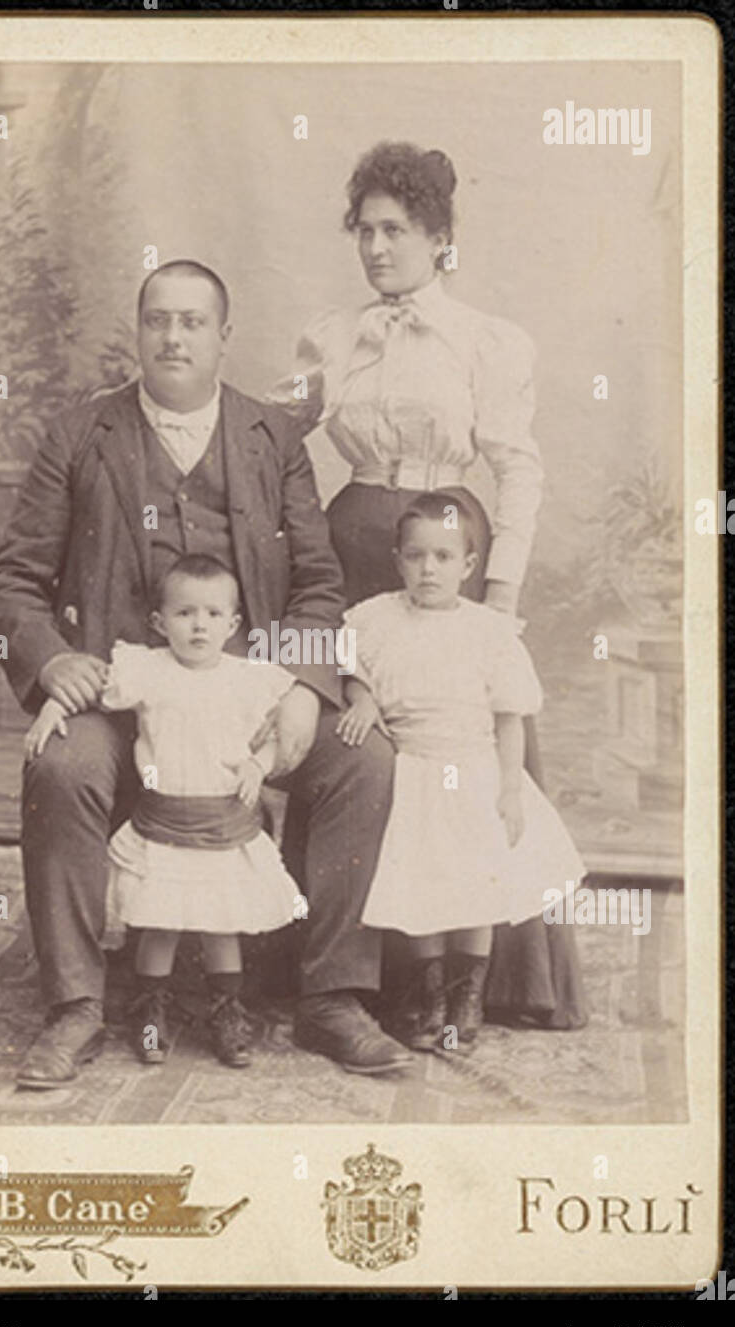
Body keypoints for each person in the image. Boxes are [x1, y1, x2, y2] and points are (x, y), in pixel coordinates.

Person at [0, 259, 413, 1089]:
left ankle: (332, 996)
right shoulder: (79, 436)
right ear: (139, 332)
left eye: (191, 322)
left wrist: (298, 682)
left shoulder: (272, 439)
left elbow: (320, 580)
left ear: (224, 337)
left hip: (249, 690)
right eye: (157, 320)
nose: (173, 336)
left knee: (363, 760)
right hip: (123, 693)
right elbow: (11, 576)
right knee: (61, 765)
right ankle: (75, 1002)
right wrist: (53, 658)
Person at [268, 141, 588, 1029]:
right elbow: (272, 436)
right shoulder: (330, 336)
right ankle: (343, 976)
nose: (375, 248)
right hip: (351, 549)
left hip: (444, 547)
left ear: (440, 238)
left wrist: (502, 594)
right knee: (368, 755)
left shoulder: (488, 340)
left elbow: (518, 469)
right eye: (363, 230)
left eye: (396, 230)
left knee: (460, 746)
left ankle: (472, 981)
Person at [23, 553, 302, 1070]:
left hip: (222, 822)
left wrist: (258, 768)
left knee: (222, 925)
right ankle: (150, 1008)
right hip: (165, 823)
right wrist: (52, 707)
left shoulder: (248, 678)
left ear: (233, 624)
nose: (199, 625)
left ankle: (226, 1009)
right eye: (185, 613)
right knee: (160, 923)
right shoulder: (147, 670)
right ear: (159, 622)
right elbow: (93, 692)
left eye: (214, 615)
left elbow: (275, 733)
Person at [337, 493, 585, 1047]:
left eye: (444, 557)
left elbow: (510, 718)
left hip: (473, 770)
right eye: (417, 556)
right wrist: (362, 699)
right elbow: (355, 672)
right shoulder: (375, 619)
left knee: (477, 882)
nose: (429, 569)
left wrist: (509, 792)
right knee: (425, 885)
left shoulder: (488, 631)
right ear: (398, 558)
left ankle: (466, 991)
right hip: (415, 771)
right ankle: (430, 991)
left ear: (469, 567)